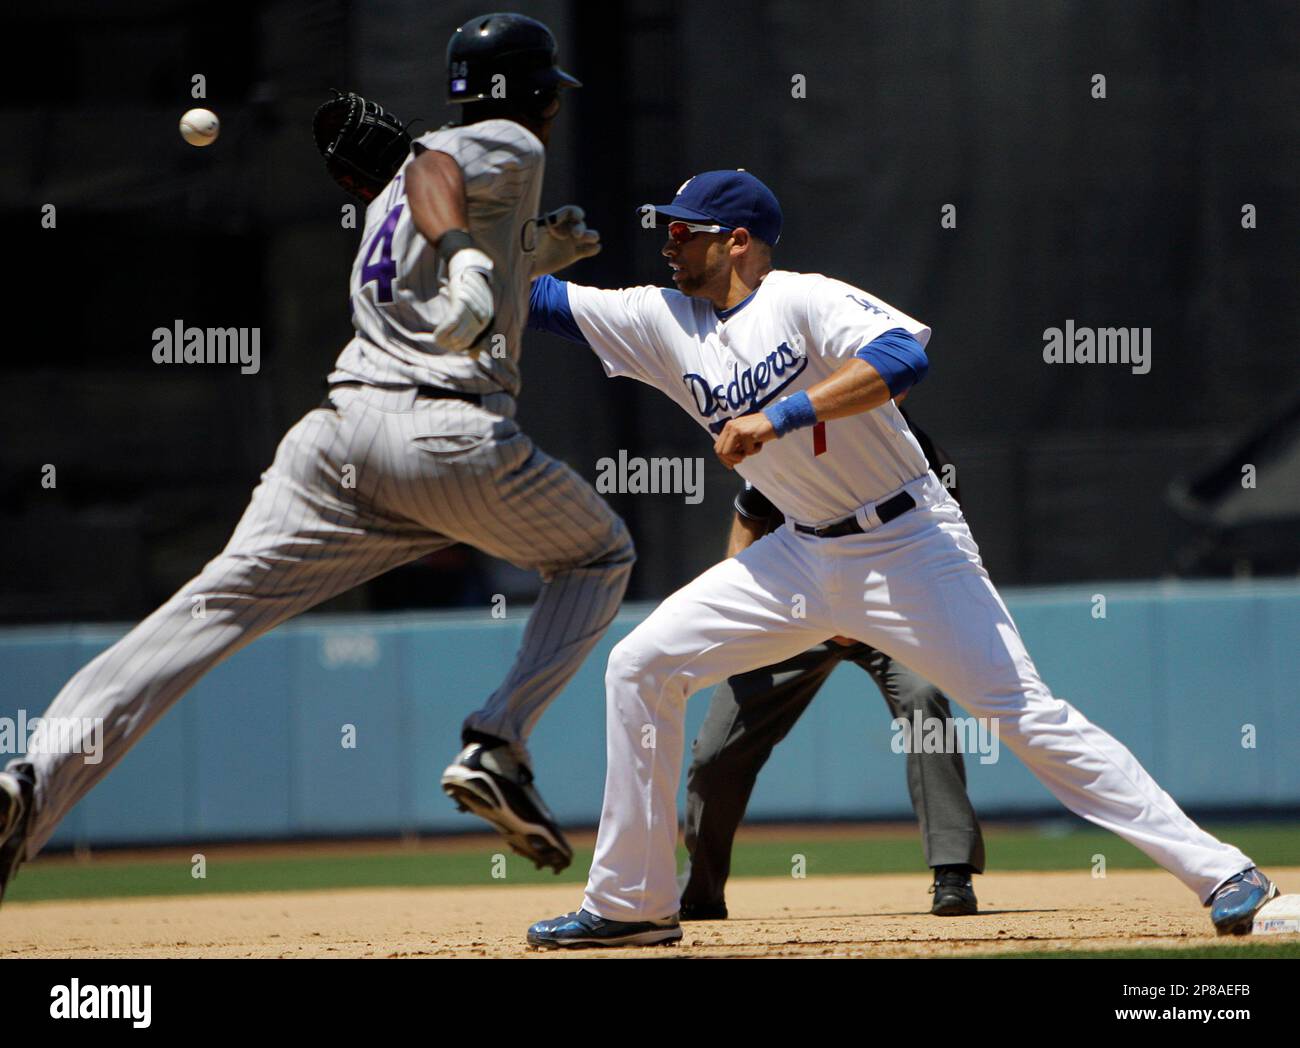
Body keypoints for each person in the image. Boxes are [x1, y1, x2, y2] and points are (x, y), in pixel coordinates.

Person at [521, 169, 1278, 948]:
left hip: (908, 544)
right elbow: (538, 305)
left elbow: (902, 359)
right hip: (799, 554)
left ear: (738, 241)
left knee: (1025, 715)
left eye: (686, 230)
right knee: (640, 664)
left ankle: (1223, 871)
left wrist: (778, 417)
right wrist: (514, 248)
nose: (668, 242)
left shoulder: (802, 298)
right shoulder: (660, 318)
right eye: (667, 229)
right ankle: (633, 905)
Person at [0, 12, 629, 905]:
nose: (555, 113)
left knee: (205, 612)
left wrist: (524, 253)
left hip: (337, 442)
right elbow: (436, 171)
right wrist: (469, 256)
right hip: (447, 437)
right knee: (599, 554)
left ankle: (31, 782)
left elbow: (428, 194)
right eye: (550, 96)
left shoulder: (395, 196)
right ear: (533, 95)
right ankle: (497, 742)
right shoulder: (499, 146)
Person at [680, 414, 984, 921]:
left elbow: (943, 531)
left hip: (889, 608)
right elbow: (748, 523)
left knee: (924, 695)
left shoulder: (909, 441)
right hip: (796, 610)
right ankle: (700, 887)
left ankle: (952, 872)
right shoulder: (787, 440)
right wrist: (742, 608)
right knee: (716, 752)